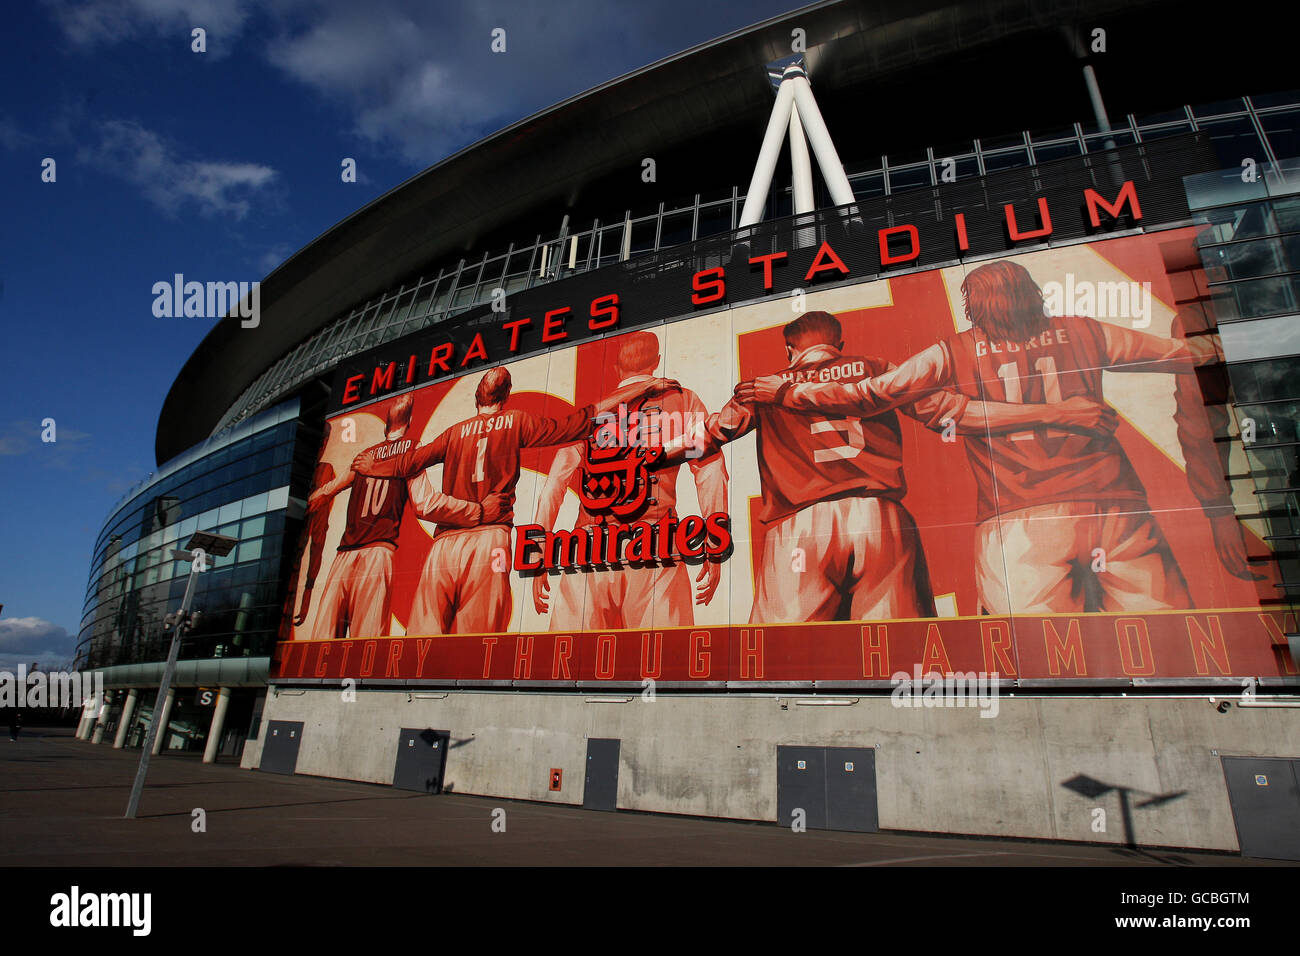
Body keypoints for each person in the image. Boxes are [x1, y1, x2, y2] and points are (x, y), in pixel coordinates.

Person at [736, 260, 1235, 613]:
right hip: (1116, 504)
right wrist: (1247, 332)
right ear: (1032, 294)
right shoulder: (1087, 331)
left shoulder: (952, 352)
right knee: (1165, 638)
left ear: (973, 306)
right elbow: (1184, 355)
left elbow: (872, 393)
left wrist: (790, 392)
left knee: (1037, 667)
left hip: (1017, 517)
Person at [660, 310, 1104, 622]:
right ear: (840, 344)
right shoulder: (878, 370)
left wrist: (653, 453)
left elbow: (706, 438)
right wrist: (1055, 413)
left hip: (800, 525)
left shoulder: (764, 387)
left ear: (790, 349)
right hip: (880, 517)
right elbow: (951, 413)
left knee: (784, 661)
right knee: (901, 654)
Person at [352, 366, 675, 634]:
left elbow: (408, 463)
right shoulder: (517, 420)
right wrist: (641, 389)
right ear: (506, 395)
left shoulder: (453, 432)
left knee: (422, 636)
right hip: (490, 537)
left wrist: (371, 466)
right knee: (474, 643)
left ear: (477, 396)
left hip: (445, 543)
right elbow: (579, 422)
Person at [531, 330, 729, 628]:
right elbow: (710, 471)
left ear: (616, 369)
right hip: (655, 547)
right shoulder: (683, 399)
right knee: (660, 665)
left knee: (573, 670)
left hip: (589, 550)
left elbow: (553, 487)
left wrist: (536, 554)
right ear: (657, 362)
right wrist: (716, 542)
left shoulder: (591, 414)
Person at [303, 393, 508, 640]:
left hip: (344, 554)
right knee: (366, 645)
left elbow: (328, 490)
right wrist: (479, 511)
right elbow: (425, 504)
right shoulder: (411, 448)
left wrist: (310, 502)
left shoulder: (365, 454)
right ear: (409, 421)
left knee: (321, 642)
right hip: (377, 553)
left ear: (386, 423)